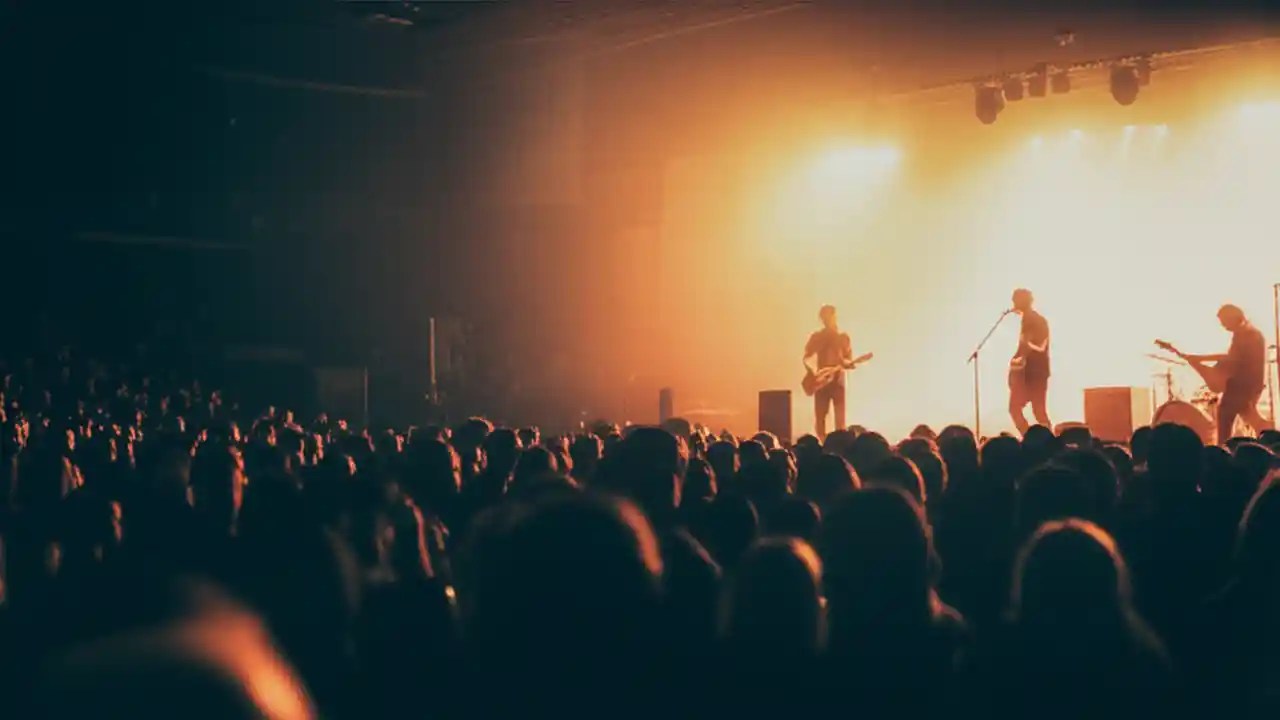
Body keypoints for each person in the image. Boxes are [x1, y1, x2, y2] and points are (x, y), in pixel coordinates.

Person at [1183, 305, 1270, 445]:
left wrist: (1200, 359)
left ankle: (1224, 448)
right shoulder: (1249, 333)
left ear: (1233, 318)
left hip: (1242, 385)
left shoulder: (1246, 334)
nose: (1224, 327)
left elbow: (1231, 358)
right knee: (1249, 417)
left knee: (1225, 416)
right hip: (1247, 385)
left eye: (1224, 322)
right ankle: (1270, 438)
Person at [803, 305, 856, 440]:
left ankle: (841, 443)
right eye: (824, 317)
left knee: (840, 418)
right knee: (820, 416)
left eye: (829, 316)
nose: (827, 320)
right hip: (821, 383)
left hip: (838, 382)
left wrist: (846, 363)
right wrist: (814, 374)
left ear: (834, 317)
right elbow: (807, 358)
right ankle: (822, 443)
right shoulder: (817, 337)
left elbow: (849, 360)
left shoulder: (843, 338)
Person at [1008, 288, 1051, 435]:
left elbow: (1040, 346)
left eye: (1016, 300)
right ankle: (1029, 438)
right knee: (1016, 409)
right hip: (1025, 373)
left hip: (1036, 373)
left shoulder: (1037, 320)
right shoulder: (1026, 320)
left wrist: (1027, 344)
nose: (1013, 303)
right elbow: (1023, 349)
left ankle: (1047, 441)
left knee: (1038, 411)